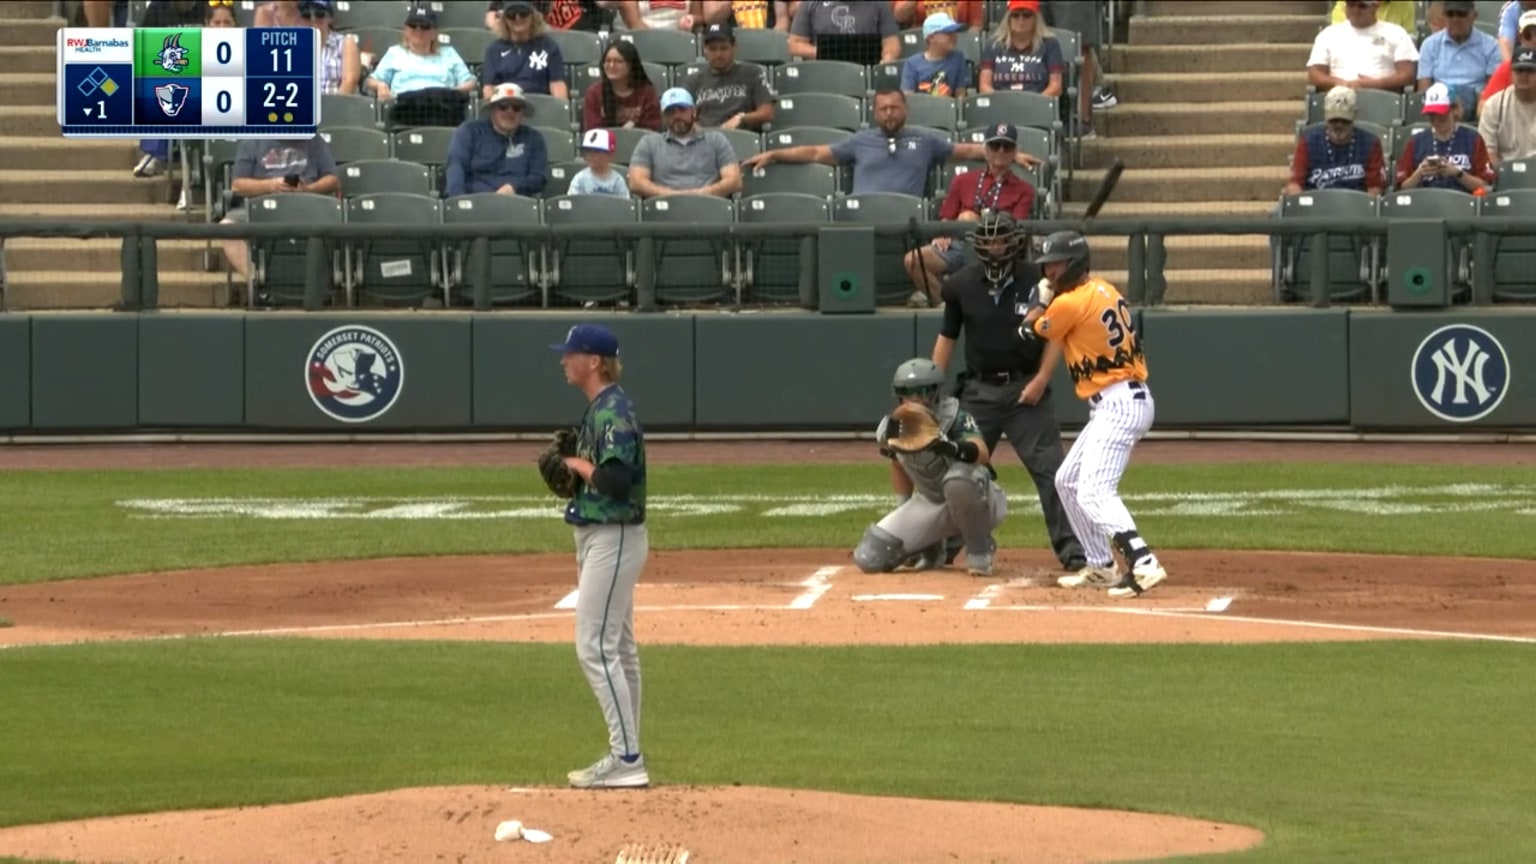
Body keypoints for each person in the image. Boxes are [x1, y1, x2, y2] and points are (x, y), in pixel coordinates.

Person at [925, 211, 1086, 575]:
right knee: (958, 471)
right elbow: (947, 338)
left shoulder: (1037, 279)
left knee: (1051, 471)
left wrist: (1042, 379)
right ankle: (944, 546)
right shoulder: (961, 284)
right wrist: (931, 390)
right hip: (979, 392)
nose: (996, 246)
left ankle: (1072, 548)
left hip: (1025, 389)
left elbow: (1056, 334)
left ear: (1014, 242)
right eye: (990, 240)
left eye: (1002, 240)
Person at [1018, 231, 1167, 598]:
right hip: (1118, 400)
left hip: (1119, 402)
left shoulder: (1069, 303)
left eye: (1055, 264)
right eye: (1047, 265)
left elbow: (1027, 332)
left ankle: (1144, 562)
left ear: (1075, 264)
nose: (1049, 271)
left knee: (1095, 491)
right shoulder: (1104, 289)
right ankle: (1100, 564)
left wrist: (1037, 301)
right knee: (1067, 481)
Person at [547, 323, 651, 790]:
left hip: (615, 536)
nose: (563, 361)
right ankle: (628, 752)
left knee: (595, 647)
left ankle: (626, 757)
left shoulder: (614, 411)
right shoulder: (599, 410)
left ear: (594, 361)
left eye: (571, 354)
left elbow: (615, 481)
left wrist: (577, 464)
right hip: (604, 536)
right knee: (619, 649)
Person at [852, 358, 1008, 578]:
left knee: (957, 480)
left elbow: (981, 452)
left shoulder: (954, 416)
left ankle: (979, 549)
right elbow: (898, 465)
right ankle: (932, 550)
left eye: (922, 391)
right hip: (932, 502)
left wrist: (950, 446)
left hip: (980, 499)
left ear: (934, 392)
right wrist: (903, 509)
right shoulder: (894, 426)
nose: (914, 398)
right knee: (870, 557)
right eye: (907, 391)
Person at [741, 90, 1042, 198]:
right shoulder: (860, 141)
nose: (889, 113)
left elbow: (970, 150)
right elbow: (815, 152)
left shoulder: (924, 140)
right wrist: (775, 153)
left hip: (905, 222)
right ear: (874, 112)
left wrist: (1013, 155)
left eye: (894, 107)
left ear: (905, 109)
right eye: (883, 108)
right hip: (863, 218)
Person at [904, 123, 1036, 306]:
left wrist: (979, 223)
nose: (1000, 151)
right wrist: (944, 233)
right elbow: (946, 217)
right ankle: (947, 304)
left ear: (1015, 151)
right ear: (986, 150)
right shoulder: (963, 180)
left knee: (971, 222)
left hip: (997, 249)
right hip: (959, 243)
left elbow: (1016, 229)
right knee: (913, 260)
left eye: (1007, 146)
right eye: (994, 145)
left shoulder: (1024, 189)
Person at [218, 136, 341, 285]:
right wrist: (271, 185)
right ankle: (257, 282)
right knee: (226, 227)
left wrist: (308, 189)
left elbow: (333, 180)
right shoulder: (252, 141)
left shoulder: (313, 139)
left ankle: (324, 283)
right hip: (264, 206)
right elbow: (238, 185)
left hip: (307, 205)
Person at [134, 0, 232, 179]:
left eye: (226, 23)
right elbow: (142, 45)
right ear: (207, 24)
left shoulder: (207, 7)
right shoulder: (157, 8)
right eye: (216, 23)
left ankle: (159, 155)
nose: (221, 27)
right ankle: (155, 154)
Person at [627, 88, 743, 198]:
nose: (677, 116)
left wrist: (699, 195)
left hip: (708, 210)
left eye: (682, 110)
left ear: (694, 112)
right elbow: (636, 182)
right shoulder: (649, 143)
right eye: (670, 112)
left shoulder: (716, 140)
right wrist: (673, 197)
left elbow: (734, 181)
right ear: (664, 117)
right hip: (665, 211)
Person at [445, 83, 549, 197]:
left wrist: (514, 187)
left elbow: (538, 177)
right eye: (503, 106)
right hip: (476, 202)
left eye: (516, 107)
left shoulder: (534, 138)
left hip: (517, 204)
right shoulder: (469, 132)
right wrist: (459, 201)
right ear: (492, 109)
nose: (510, 112)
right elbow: (456, 166)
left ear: (522, 112)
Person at [1282, 86, 1387, 196]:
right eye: (1334, 120)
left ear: (1354, 116)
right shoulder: (1308, 142)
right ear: (1326, 117)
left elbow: (1375, 188)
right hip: (1316, 206)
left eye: (1345, 121)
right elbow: (1295, 184)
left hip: (1356, 207)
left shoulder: (1370, 143)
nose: (1339, 125)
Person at [364, 6, 477, 102]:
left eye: (424, 27)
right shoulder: (395, 53)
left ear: (434, 33)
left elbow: (470, 82)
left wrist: (454, 93)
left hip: (442, 106)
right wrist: (380, 85)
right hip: (405, 107)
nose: (418, 30)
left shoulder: (449, 53)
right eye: (413, 26)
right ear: (406, 31)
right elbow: (371, 80)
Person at [1396, 83, 1494, 192]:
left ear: (1454, 110)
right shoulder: (1416, 141)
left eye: (1441, 115)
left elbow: (1484, 185)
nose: (1436, 120)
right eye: (1431, 115)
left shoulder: (1472, 139)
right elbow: (1402, 189)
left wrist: (1457, 173)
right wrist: (1420, 173)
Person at [1307, 0, 1418, 93]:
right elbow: (1314, 74)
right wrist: (1340, 83)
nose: (1356, 10)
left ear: (1375, 6)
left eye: (1362, 6)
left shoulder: (1396, 33)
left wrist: (1377, 84)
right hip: (1338, 95)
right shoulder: (1329, 34)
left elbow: (1407, 74)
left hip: (1382, 96)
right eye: (1351, 5)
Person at [683, 23, 776, 131]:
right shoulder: (693, 80)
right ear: (704, 50)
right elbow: (682, 115)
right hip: (704, 138)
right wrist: (697, 130)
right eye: (713, 49)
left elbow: (768, 113)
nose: (718, 54)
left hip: (740, 136)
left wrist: (742, 118)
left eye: (724, 48)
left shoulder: (752, 73)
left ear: (734, 46)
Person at [1415, 0, 1500, 119]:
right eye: (1450, 14)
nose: (1455, 19)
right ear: (1444, 16)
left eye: (1461, 14)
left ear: (1474, 16)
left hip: (1476, 106)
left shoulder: (1490, 45)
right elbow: (1424, 88)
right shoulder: (1430, 45)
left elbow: (1492, 87)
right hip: (1440, 104)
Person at [483, 0, 570, 100]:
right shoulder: (494, 50)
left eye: (523, 13)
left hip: (541, 108)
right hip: (508, 108)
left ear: (533, 16)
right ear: (505, 19)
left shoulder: (549, 47)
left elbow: (557, 85)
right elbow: (489, 90)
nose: (518, 18)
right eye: (511, 14)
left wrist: (560, 110)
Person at [979, 0, 1064, 96]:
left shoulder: (1050, 44)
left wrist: (1034, 103)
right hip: (1000, 105)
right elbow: (984, 86)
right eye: (1015, 15)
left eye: (1027, 15)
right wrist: (1001, 103)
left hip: (1037, 104)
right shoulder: (993, 45)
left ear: (1036, 18)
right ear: (1008, 18)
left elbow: (1056, 86)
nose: (1021, 20)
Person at [583, 40, 663, 131]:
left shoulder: (648, 93)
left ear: (631, 65)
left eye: (618, 61)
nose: (611, 65)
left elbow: (652, 130)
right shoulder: (594, 93)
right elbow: (593, 132)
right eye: (607, 61)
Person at [1479, 46, 1536, 166]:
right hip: (1505, 175)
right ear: (1511, 73)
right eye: (1519, 70)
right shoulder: (1494, 105)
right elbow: (1488, 153)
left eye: (1530, 71)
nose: (1524, 76)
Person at [902, 12, 971, 99]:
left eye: (954, 33)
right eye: (948, 33)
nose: (954, 37)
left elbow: (961, 94)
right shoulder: (912, 64)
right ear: (931, 37)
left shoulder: (958, 58)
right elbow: (908, 97)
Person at [301, 0, 362, 96]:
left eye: (319, 14)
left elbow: (350, 82)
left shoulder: (345, 43)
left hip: (336, 105)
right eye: (306, 15)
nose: (313, 19)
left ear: (329, 18)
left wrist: (330, 108)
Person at [1480, 8, 1536, 110]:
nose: (1534, 40)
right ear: (1520, 38)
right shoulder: (1508, 68)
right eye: (1528, 36)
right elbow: (1482, 107)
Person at [570, 127, 632, 196]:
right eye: (588, 151)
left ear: (610, 155)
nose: (591, 155)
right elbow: (573, 203)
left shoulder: (617, 181)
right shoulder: (580, 178)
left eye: (597, 151)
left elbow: (624, 205)